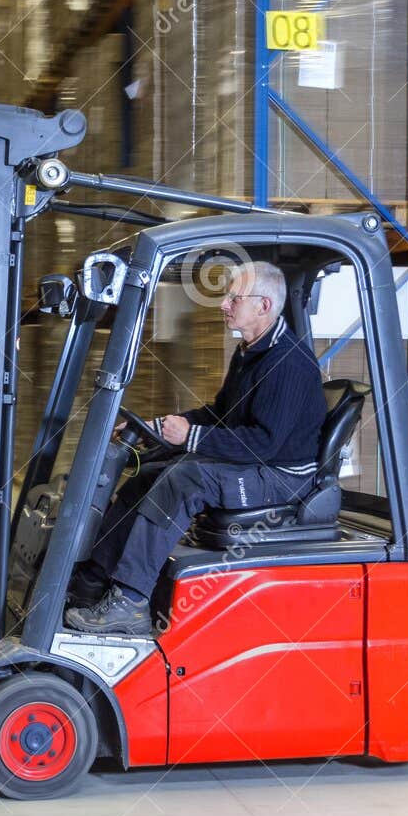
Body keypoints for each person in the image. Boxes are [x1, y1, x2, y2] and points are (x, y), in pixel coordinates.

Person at [64, 260, 326, 636]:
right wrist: (160, 429)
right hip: (260, 462)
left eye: (234, 298)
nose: (223, 304)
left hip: (282, 476)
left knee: (185, 478)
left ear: (263, 306)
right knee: (150, 473)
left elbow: (263, 444)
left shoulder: (288, 363)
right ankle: (91, 580)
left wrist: (189, 437)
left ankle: (130, 602)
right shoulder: (249, 353)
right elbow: (221, 415)